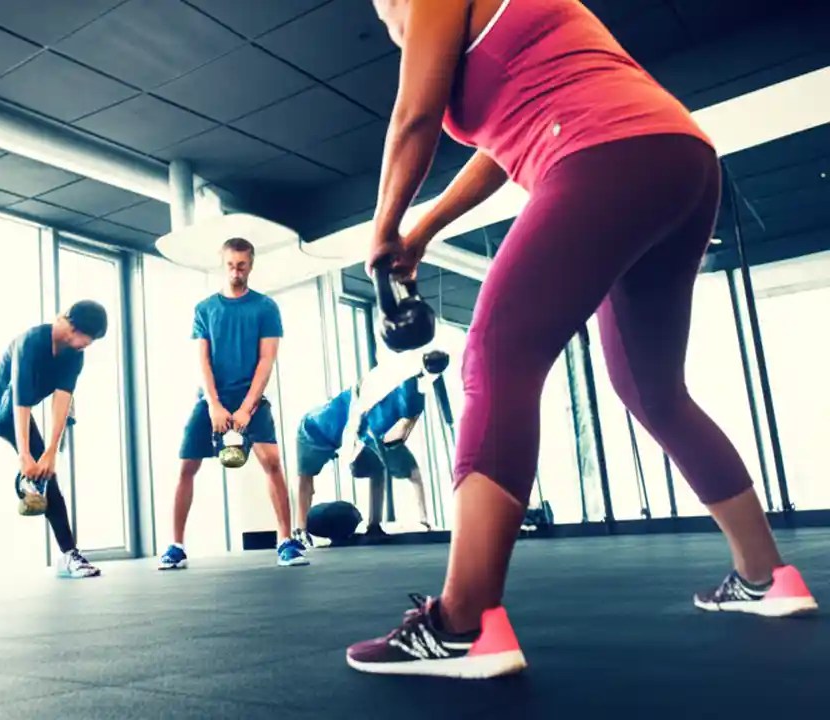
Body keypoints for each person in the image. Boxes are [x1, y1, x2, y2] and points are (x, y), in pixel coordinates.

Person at [347, 0, 819, 679]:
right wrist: (422, 232)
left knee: (496, 353)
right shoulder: (499, 34)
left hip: (603, 152)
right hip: (678, 160)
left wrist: (383, 229)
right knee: (652, 389)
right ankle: (765, 576)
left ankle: (464, 623)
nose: (388, 19)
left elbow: (413, 118)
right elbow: (501, 150)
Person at [0, 302, 110, 589]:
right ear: (71, 326)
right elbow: (21, 400)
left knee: (48, 479)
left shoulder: (74, 355)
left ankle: (69, 555)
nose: (86, 344)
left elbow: (61, 403)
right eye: (86, 338)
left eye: (90, 341)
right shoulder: (31, 342)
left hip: (11, 415)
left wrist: (51, 452)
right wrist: (25, 455)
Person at [158, 238, 307, 570]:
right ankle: (176, 546)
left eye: (242, 265)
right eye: (230, 265)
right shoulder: (205, 309)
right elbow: (203, 362)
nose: (236, 271)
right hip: (211, 399)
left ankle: (285, 541)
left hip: (250, 397)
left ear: (251, 265)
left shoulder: (265, 307)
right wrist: (213, 404)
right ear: (221, 264)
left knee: (271, 461)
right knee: (186, 467)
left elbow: (266, 361)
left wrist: (246, 407)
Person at [294, 353, 439, 549]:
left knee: (379, 468)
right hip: (315, 431)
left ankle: (375, 525)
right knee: (307, 481)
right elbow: (366, 426)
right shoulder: (385, 389)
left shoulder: (410, 394)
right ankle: (300, 530)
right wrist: (355, 453)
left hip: (354, 431)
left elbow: (400, 432)